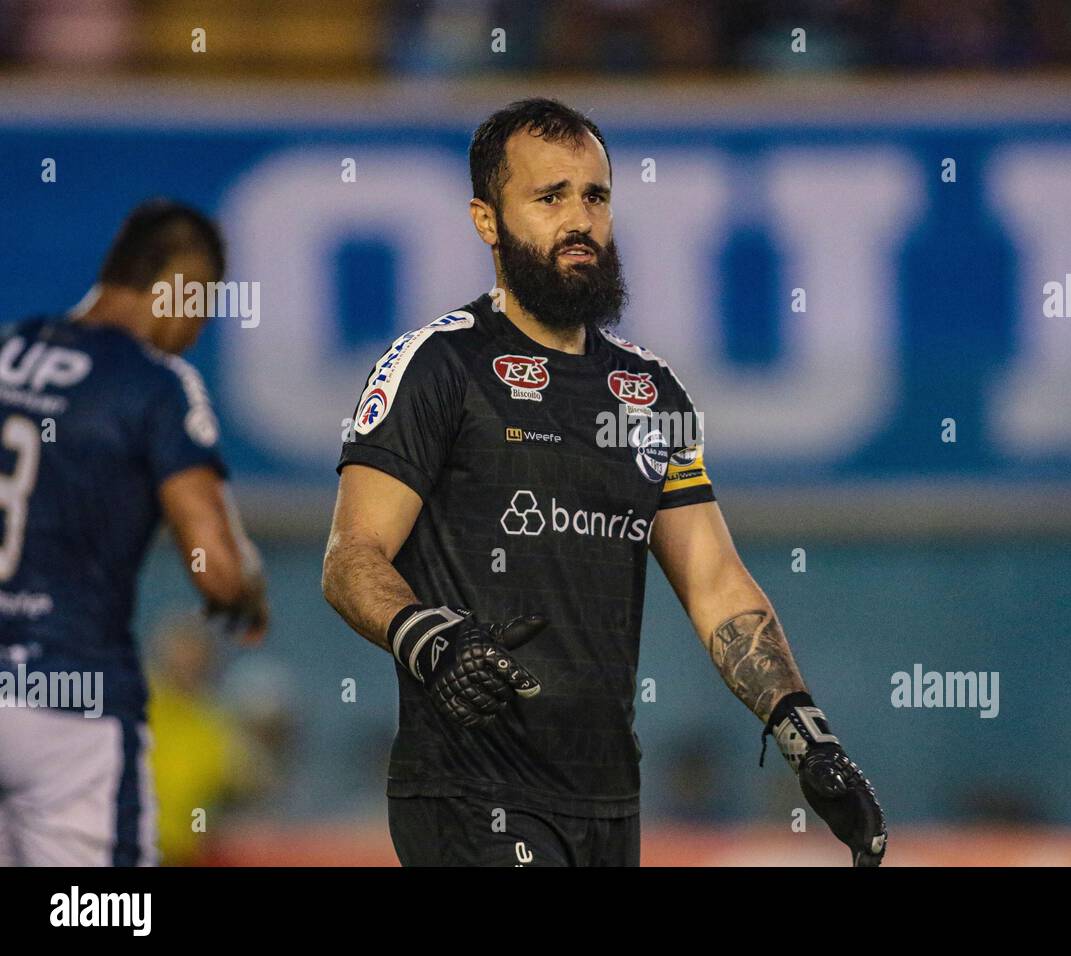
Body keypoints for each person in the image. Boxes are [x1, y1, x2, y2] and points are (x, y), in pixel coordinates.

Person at [322, 98, 884, 867]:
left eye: (595, 196)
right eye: (549, 198)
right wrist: (428, 639)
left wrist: (805, 735)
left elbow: (716, 583)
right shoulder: (436, 366)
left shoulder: (653, 393)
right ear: (486, 220)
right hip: (469, 791)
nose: (579, 219)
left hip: (608, 802)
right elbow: (351, 558)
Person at [0, 199, 267, 866]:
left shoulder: (8, 346)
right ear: (183, 284)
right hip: (69, 703)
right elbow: (215, 567)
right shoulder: (154, 386)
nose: (198, 331)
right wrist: (247, 589)